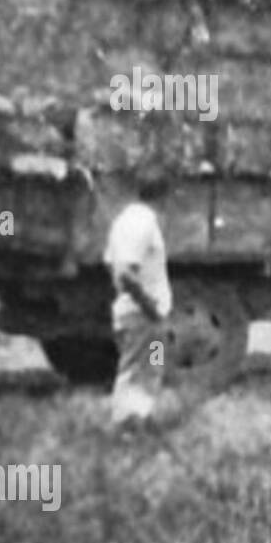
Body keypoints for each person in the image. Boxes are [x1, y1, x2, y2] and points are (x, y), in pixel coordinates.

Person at [103, 175, 173, 429]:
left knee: (152, 367)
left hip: (150, 317)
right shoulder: (141, 223)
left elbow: (113, 265)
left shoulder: (125, 220)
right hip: (143, 315)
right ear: (163, 197)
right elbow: (125, 274)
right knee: (134, 370)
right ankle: (125, 425)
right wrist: (150, 308)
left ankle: (143, 417)